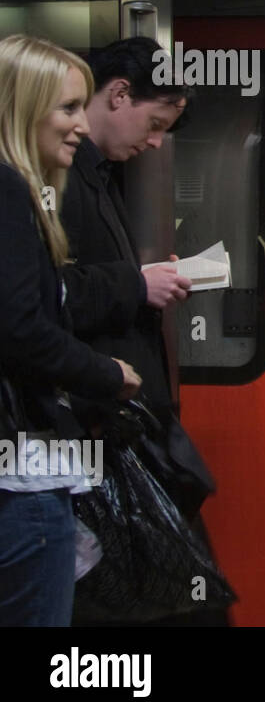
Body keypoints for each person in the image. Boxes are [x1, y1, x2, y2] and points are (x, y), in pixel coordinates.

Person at [0, 34, 142, 626]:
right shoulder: (8, 189)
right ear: (21, 106)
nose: (82, 126)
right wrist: (107, 374)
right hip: (20, 478)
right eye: (67, 108)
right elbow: (19, 329)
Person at [60, 37, 217, 522]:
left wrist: (145, 278)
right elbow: (49, 293)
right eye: (154, 125)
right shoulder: (59, 178)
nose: (153, 142)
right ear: (120, 94)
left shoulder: (98, 174)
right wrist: (135, 284)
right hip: (91, 415)